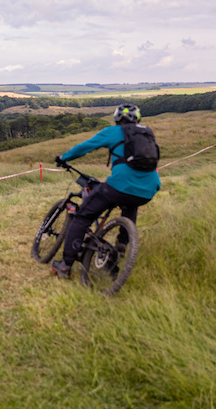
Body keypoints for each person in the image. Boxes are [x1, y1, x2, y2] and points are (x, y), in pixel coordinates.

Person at [50, 103, 161, 279]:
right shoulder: (147, 133)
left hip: (120, 185)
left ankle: (65, 265)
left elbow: (85, 147)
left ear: (117, 118)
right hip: (149, 189)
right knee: (130, 204)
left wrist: (64, 157)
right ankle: (122, 245)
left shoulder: (112, 132)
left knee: (83, 217)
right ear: (137, 119)